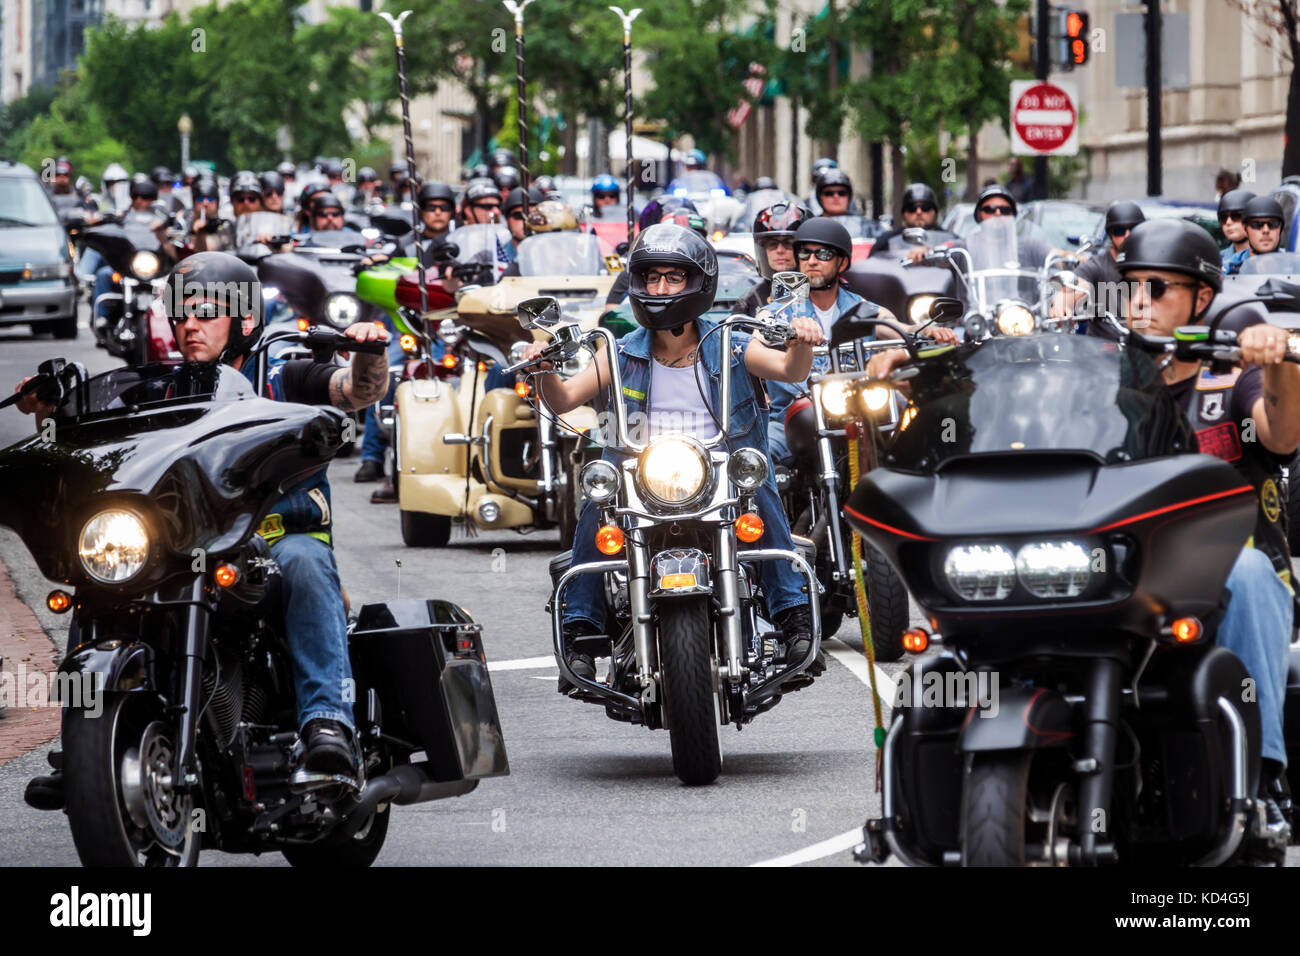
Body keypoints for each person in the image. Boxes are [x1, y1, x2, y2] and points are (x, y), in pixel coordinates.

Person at [19, 252, 392, 808]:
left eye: (205, 313)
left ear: (243, 320)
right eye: (181, 314)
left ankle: (327, 726)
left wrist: (368, 353)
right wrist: (46, 412)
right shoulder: (161, 389)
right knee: (98, 576)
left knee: (307, 562)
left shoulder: (283, 372)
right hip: (182, 546)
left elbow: (358, 392)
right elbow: (92, 451)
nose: (189, 325)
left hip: (274, 543)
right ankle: (82, 745)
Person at [520, 223, 826, 690]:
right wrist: (542, 367)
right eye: (652, 278)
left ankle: (794, 618)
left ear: (698, 282)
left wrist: (802, 341)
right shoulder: (618, 351)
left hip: (718, 471)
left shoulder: (730, 341)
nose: (661, 288)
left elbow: (787, 368)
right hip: (642, 475)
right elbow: (562, 401)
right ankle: (580, 631)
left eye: (674, 278)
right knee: (595, 499)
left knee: (756, 480)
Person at [1115, 218, 1298, 842]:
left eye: (1158, 288)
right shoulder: (1108, 378)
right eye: (1131, 287)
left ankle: (1263, 777)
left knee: (1246, 574)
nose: (1140, 302)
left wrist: (1276, 363)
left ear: (1200, 297)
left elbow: (1281, 434)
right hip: (1128, 559)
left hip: (1231, 554)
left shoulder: (1232, 369)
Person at [765, 217, 865, 463]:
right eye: (805, 253)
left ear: (841, 262)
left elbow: (890, 322)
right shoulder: (779, 310)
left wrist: (924, 330)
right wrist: (766, 327)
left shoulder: (859, 306)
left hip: (855, 412)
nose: (811, 261)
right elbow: (761, 323)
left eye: (822, 254)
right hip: (790, 417)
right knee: (756, 458)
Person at [1049, 199, 1144, 319]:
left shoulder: (1153, 265)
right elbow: (1079, 285)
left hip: (1143, 335)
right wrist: (1061, 305)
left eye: (1133, 229)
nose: (1127, 235)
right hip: (1104, 337)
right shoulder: (1097, 265)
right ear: (1110, 234)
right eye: (1119, 231)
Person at [732, 200, 813, 316]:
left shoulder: (820, 290)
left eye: (788, 243)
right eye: (772, 244)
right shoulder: (750, 300)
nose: (780, 250)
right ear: (763, 251)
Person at [869, 183, 940, 258]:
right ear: (904, 213)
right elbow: (871, 263)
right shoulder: (886, 240)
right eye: (912, 208)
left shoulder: (949, 240)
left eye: (925, 207)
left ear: (934, 211)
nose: (919, 212)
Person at [1226, 195, 1286, 274]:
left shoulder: (1293, 265)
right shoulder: (1229, 268)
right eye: (1257, 224)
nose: (1265, 230)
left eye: (1272, 224)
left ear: (1281, 228)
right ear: (1245, 229)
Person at [1218, 188, 1255, 271]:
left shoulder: (1278, 257)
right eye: (1223, 217)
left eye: (1236, 216)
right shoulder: (1216, 260)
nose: (1228, 222)